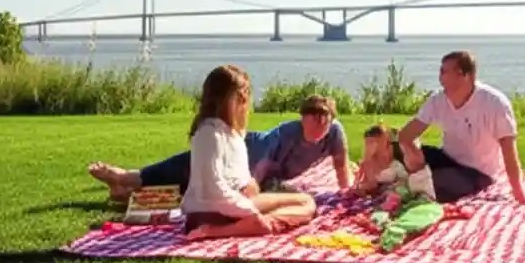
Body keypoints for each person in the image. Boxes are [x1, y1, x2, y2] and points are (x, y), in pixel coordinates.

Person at [86, 94, 352, 201]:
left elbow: (341, 165)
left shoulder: (335, 133)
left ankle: (128, 191)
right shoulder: (287, 133)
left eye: (325, 120)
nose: (320, 124)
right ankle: (124, 177)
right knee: (188, 167)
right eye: (314, 118)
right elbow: (260, 166)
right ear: (302, 118)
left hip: (254, 172)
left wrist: (346, 194)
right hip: (243, 152)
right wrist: (250, 194)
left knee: (191, 186)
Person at [179, 64, 316, 240]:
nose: (245, 102)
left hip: (236, 203)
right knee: (302, 205)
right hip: (214, 210)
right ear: (225, 98)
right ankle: (218, 231)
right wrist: (248, 210)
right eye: (240, 96)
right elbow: (212, 189)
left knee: (306, 201)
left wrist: (249, 183)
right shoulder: (209, 134)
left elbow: (232, 173)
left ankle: (254, 225)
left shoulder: (230, 132)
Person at [397, 50, 525, 204]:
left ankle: (414, 186)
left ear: (464, 75)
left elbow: (509, 152)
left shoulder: (495, 104)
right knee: (394, 149)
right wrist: (413, 155)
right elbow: (406, 134)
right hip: (447, 159)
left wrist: (519, 192)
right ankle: (412, 183)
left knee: (437, 181)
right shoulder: (437, 101)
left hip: (477, 173)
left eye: (444, 72)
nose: (440, 78)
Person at [353, 123, 409, 197]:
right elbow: (367, 182)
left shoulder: (395, 164)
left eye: (371, 142)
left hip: (393, 188)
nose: (368, 147)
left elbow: (405, 180)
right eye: (367, 143)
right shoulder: (368, 162)